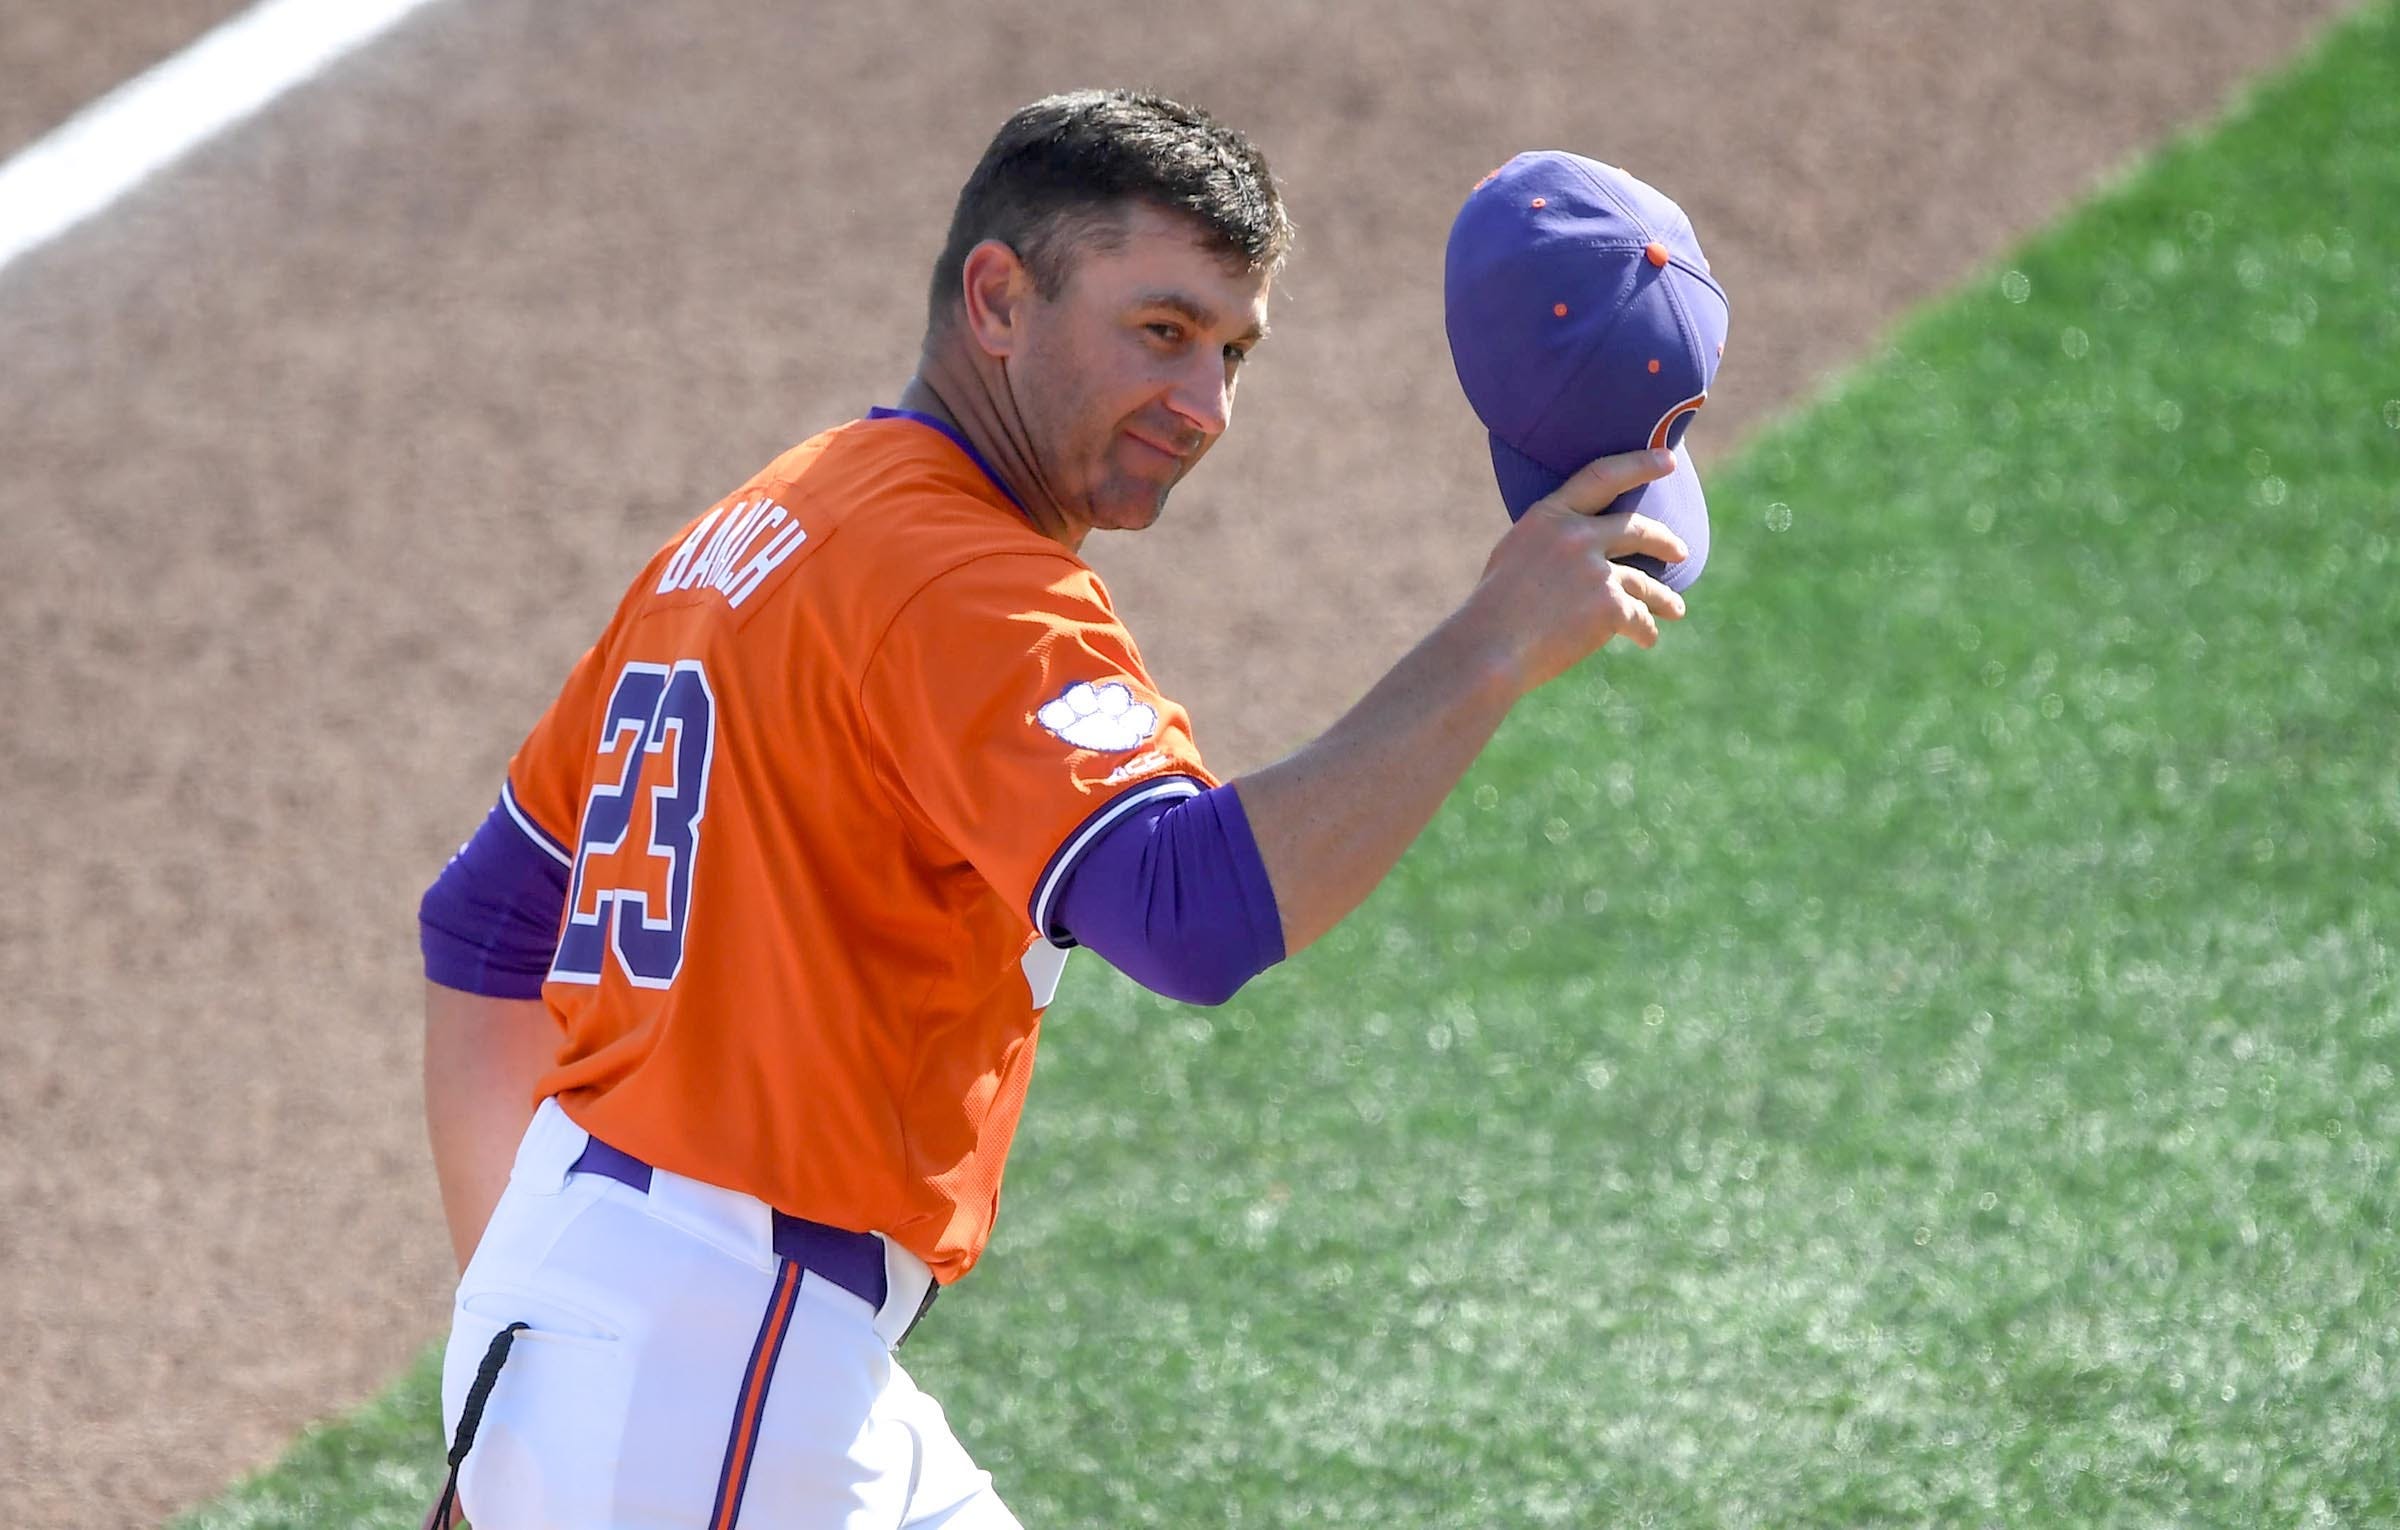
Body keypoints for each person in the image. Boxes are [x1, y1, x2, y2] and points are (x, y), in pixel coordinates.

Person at [416, 90, 1702, 1528]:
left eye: (1233, 351)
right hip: (713, 1358)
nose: (1204, 406)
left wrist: (555, 1304)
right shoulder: (965, 582)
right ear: (998, 299)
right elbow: (1187, 911)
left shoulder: (758, 526)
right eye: (1161, 331)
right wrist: (1493, 642)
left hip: (635, 1325)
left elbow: (486, 922)